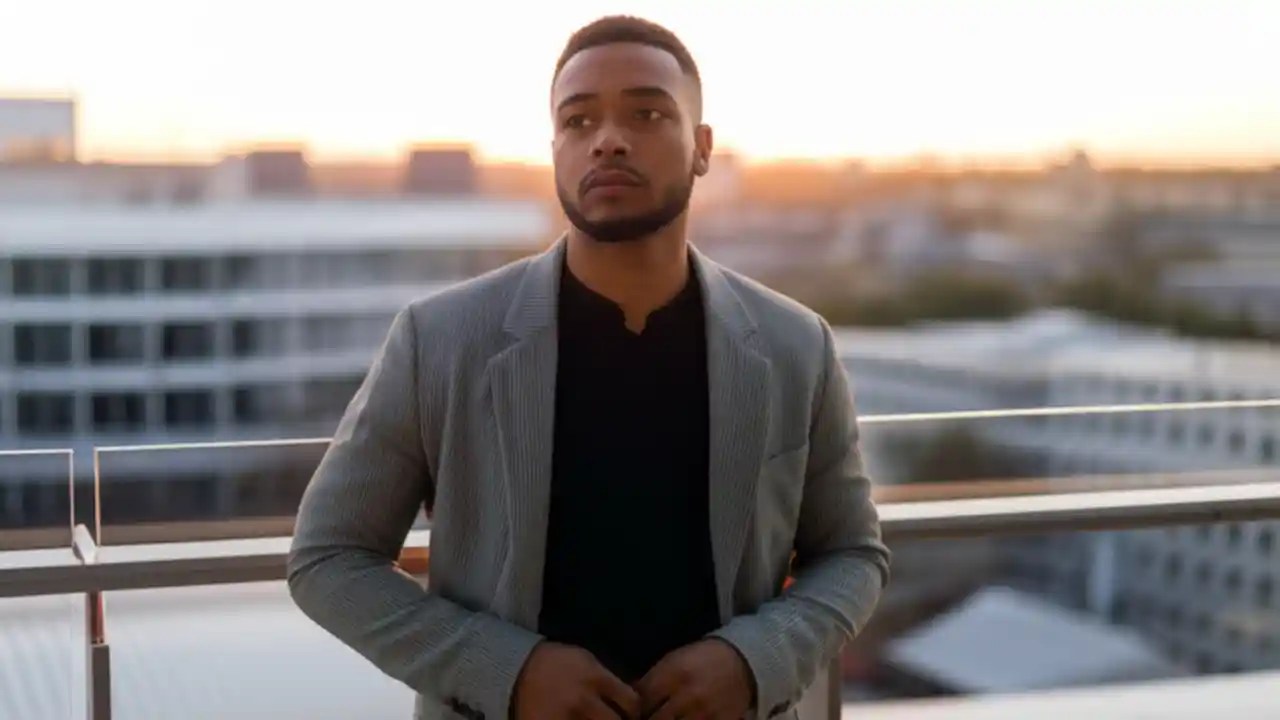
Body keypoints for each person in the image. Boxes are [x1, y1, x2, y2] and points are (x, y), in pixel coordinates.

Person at [288, 14, 890, 720]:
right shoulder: (441, 339)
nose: (607, 138)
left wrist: (754, 660)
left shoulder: (795, 344)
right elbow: (327, 558)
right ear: (554, 153)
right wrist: (507, 672)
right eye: (578, 121)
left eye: (648, 112)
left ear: (701, 148)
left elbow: (852, 555)